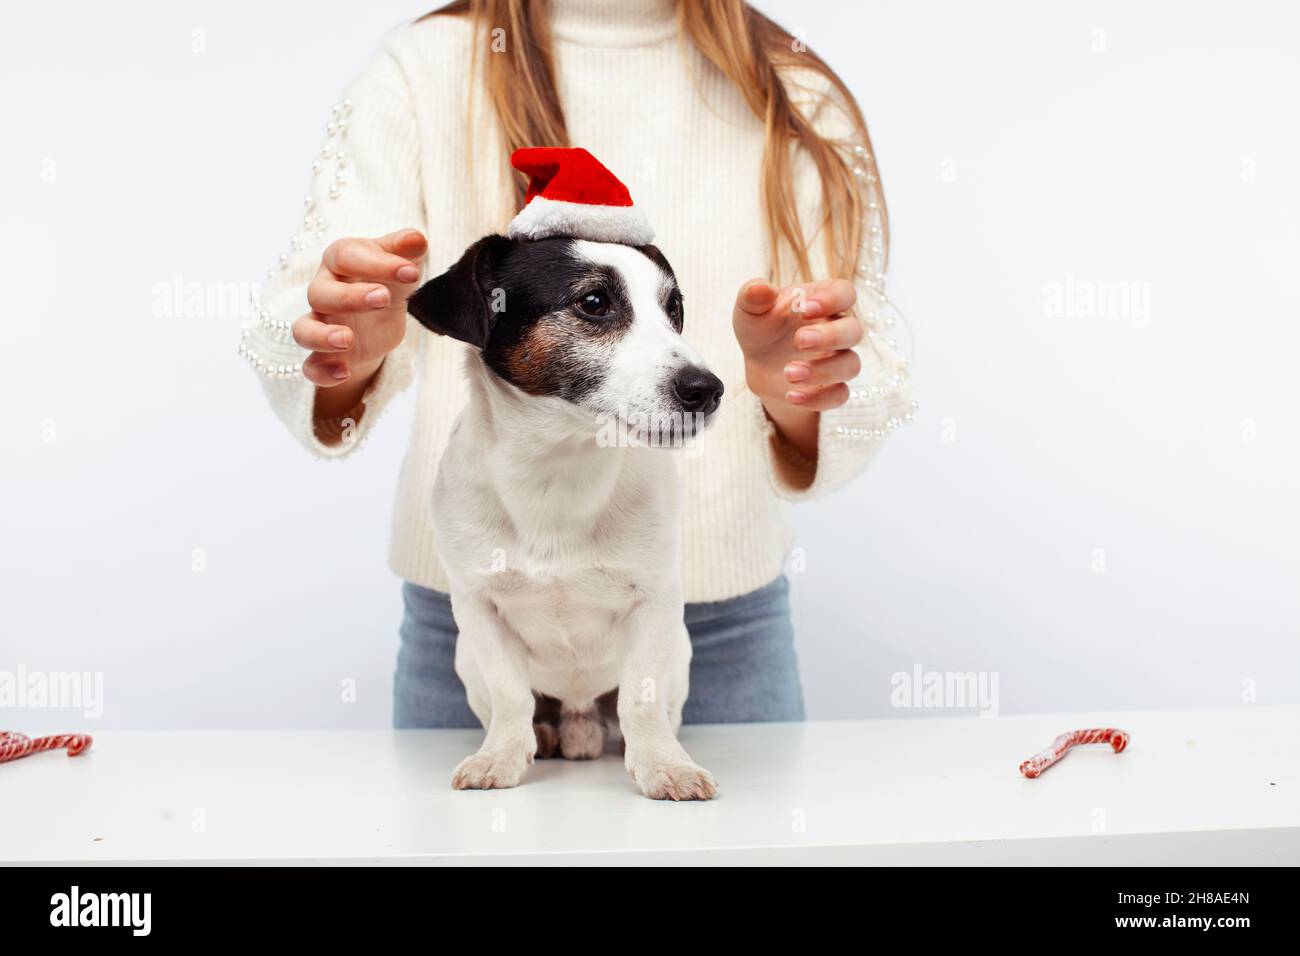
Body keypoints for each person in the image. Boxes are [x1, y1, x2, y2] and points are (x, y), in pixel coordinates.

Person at [239, 0, 914, 728]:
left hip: (717, 637)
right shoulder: (423, 67)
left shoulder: (797, 93)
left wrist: (798, 390)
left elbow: (865, 379)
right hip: (474, 621)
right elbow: (294, 320)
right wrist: (349, 349)